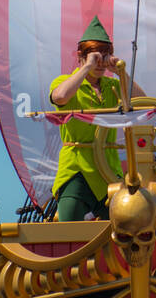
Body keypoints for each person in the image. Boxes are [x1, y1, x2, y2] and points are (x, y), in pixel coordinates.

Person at [48, 15, 145, 222]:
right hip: (77, 169)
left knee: (124, 225)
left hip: (108, 170)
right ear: (80, 56)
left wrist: (120, 72)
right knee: (69, 231)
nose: (100, 61)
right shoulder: (66, 82)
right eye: (95, 55)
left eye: (105, 54)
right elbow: (60, 97)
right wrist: (86, 68)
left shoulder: (112, 87)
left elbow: (143, 102)